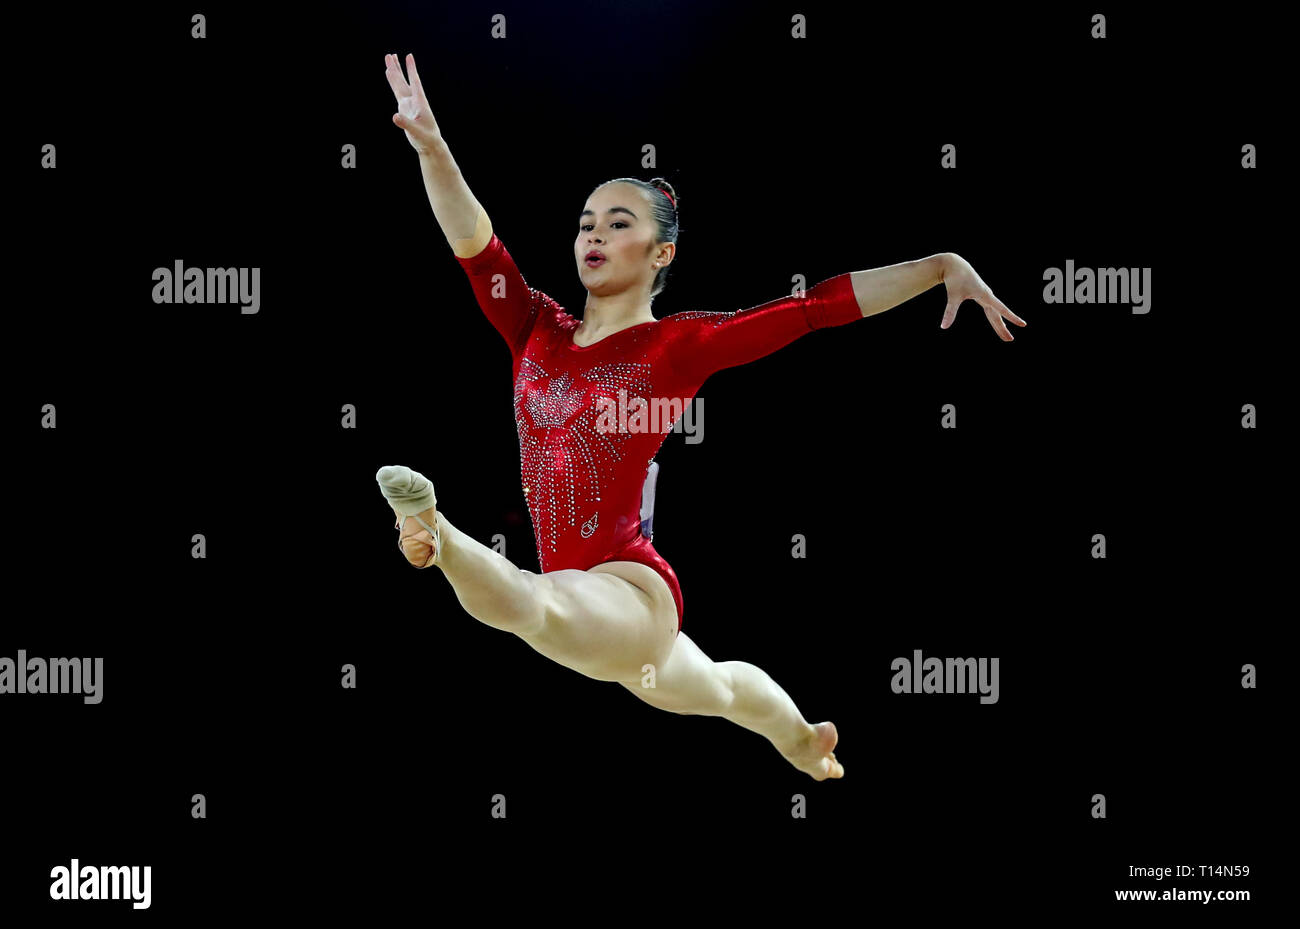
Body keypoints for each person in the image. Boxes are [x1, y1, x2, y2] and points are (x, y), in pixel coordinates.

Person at [376, 53, 1025, 782]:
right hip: (610, 616)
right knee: (715, 687)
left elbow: (810, 310)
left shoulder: (675, 347)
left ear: (661, 252)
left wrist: (939, 265)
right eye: (586, 221)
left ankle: (438, 528)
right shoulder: (534, 326)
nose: (592, 235)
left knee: (538, 607)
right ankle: (802, 738)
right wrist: (433, 147)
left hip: (625, 589)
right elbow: (475, 243)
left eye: (616, 224)